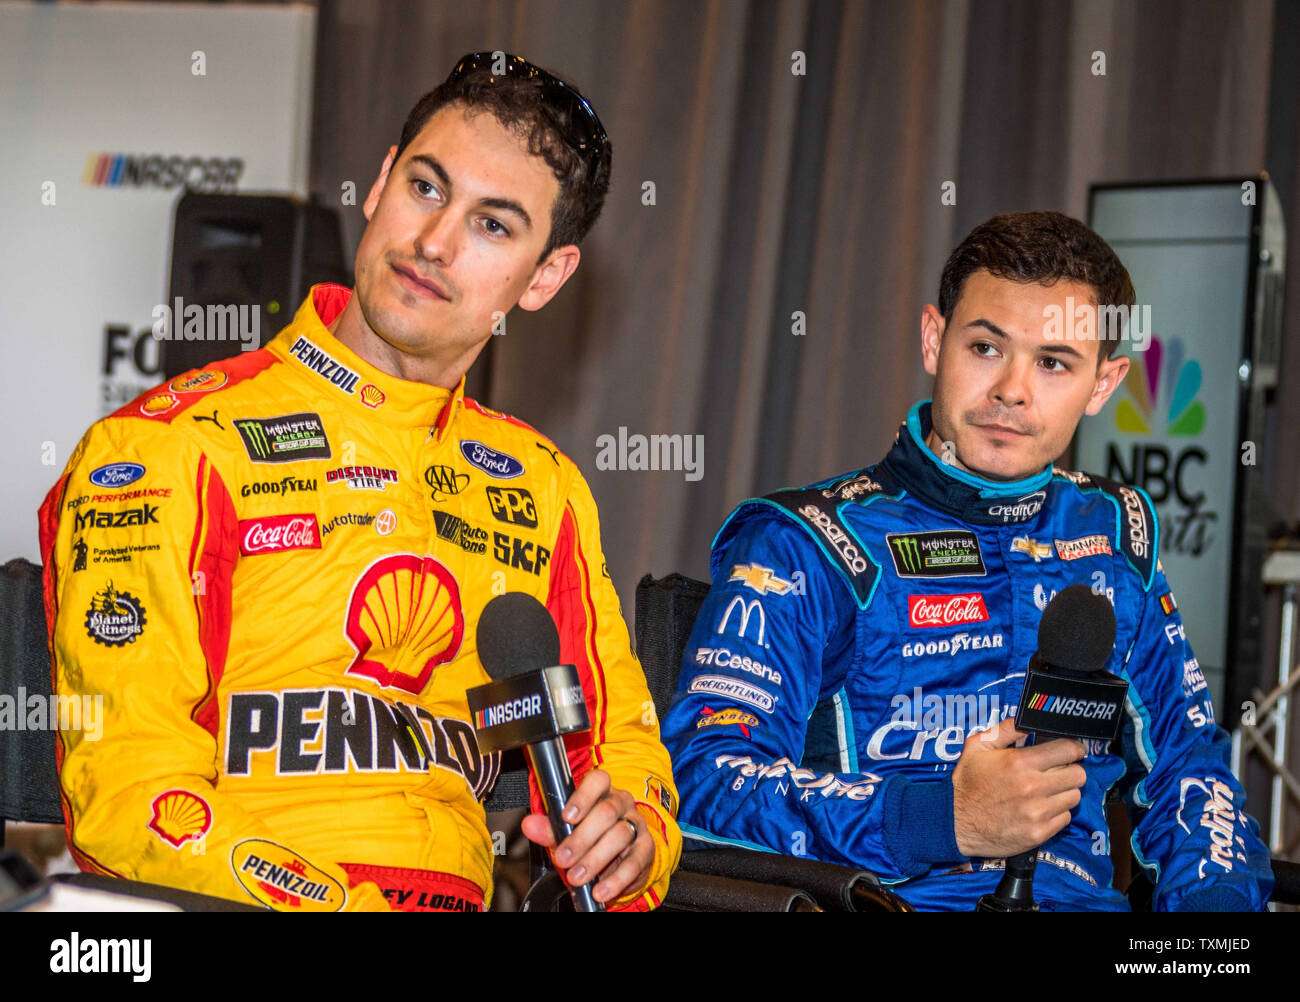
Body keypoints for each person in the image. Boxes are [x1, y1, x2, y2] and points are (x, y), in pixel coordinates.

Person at [40, 52, 680, 912]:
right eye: (426, 187)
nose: (435, 242)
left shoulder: (543, 489)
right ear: (380, 183)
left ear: (546, 278)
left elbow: (610, 753)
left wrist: (633, 834)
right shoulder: (168, 446)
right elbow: (129, 789)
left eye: (494, 226)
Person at [662, 211, 1272, 911]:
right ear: (934, 339)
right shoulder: (809, 540)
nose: (1012, 390)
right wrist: (940, 818)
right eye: (986, 347)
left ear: (1103, 386)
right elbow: (703, 778)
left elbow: (1190, 768)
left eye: (1052, 363)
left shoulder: (1115, 536)